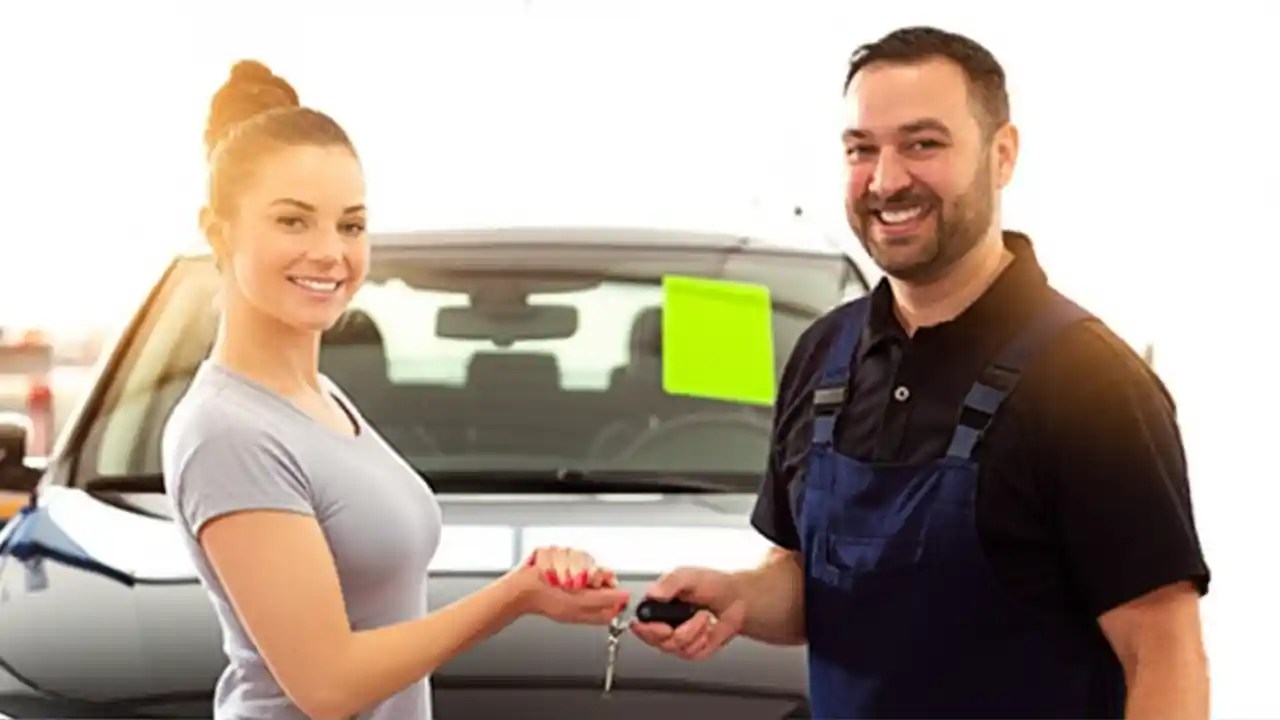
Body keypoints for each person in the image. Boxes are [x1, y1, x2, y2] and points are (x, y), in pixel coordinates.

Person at [630, 26, 1211, 719]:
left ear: (1002, 156)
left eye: (922, 144)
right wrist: (739, 599)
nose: (886, 180)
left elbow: (1164, 655)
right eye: (861, 149)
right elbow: (806, 581)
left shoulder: (1090, 384)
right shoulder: (824, 354)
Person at [160, 60, 630, 720]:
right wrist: (517, 595)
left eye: (350, 225)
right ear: (219, 232)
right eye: (293, 222)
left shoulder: (319, 399)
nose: (331, 252)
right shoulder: (228, 431)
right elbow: (327, 685)